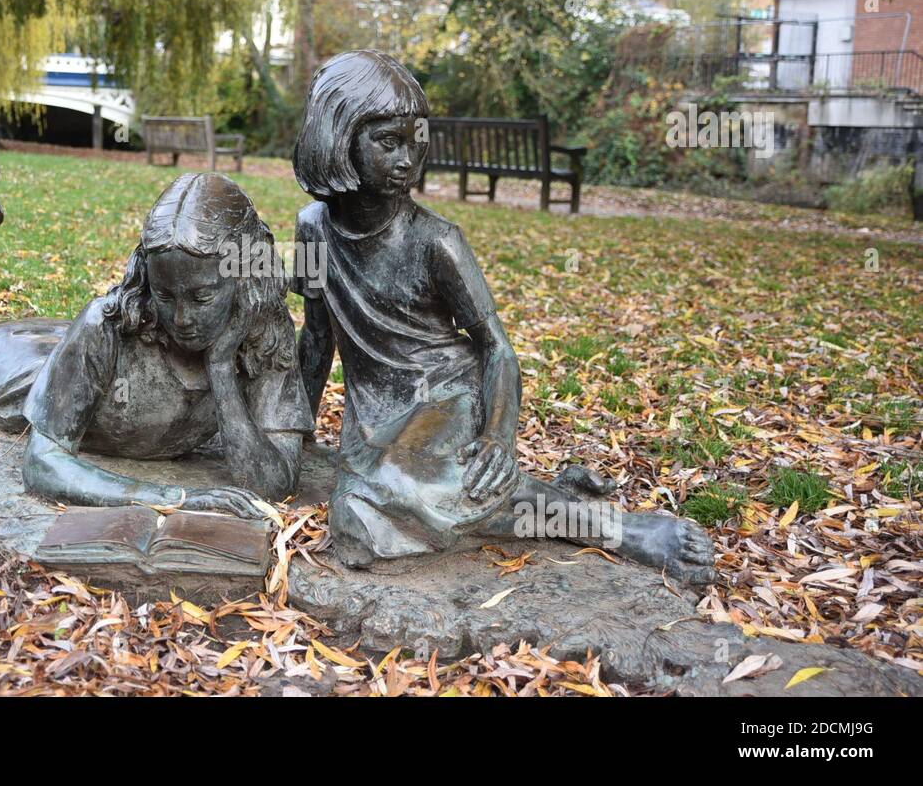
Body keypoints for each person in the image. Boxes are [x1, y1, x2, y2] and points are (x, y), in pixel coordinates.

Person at [292, 51, 715, 583]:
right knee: (365, 521)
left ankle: (611, 527)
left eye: (415, 141)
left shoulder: (436, 241)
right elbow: (315, 337)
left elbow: (496, 347)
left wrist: (498, 437)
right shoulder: (313, 228)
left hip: (447, 390)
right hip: (377, 409)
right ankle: (551, 496)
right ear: (337, 138)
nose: (407, 160)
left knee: (393, 493)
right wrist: (296, 430)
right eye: (387, 142)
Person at [0, 141, 311, 518]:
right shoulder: (109, 323)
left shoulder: (265, 335)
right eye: (166, 296)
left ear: (245, 276)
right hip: (18, 370)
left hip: (61, 346)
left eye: (202, 298)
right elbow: (45, 462)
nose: (183, 318)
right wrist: (170, 499)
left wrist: (221, 370)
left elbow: (275, 482)